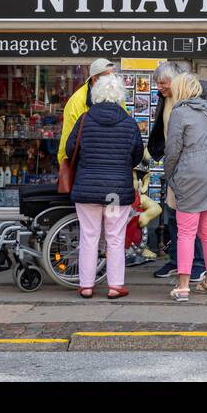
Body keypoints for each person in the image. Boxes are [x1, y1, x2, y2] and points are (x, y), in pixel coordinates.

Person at [149, 60, 207, 278]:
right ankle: (179, 262)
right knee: (175, 218)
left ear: (177, 81)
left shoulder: (198, 92)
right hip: (180, 165)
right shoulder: (166, 97)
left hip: (187, 168)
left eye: (163, 83)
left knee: (192, 224)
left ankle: (195, 268)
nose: (159, 88)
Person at [65, 73, 144, 299]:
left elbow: (71, 151)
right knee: (115, 237)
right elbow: (137, 156)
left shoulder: (84, 119)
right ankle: (115, 285)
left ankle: (86, 285)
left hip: (87, 188)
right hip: (116, 192)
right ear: (120, 95)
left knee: (89, 236)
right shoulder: (129, 123)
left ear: (96, 94)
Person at [163, 73, 207, 300]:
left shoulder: (179, 113)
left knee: (186, 233)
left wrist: (170, 175)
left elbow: (172, 151)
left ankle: (182, 287)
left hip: (191, 175)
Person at [57, 58, 117, 165]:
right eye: (108, 77)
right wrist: (66, 167)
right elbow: (68, 142)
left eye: (114, 76)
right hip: (84, 166)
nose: (113, 80)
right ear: (95, 78)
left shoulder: (117, 97)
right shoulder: (77, 101)